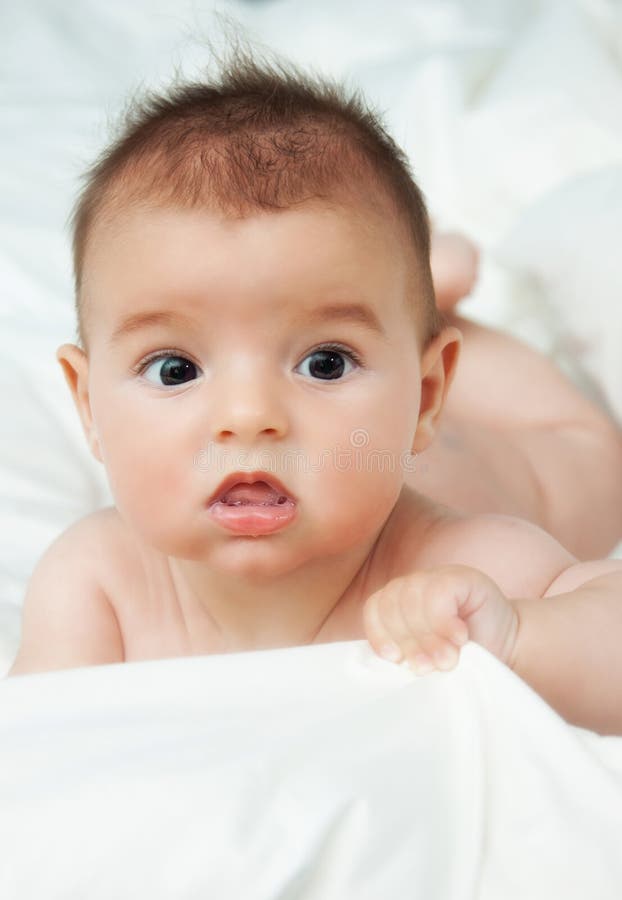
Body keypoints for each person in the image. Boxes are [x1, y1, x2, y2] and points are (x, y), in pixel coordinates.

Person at [8, 50, 622, 735]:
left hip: (521, 456)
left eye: (326, 362)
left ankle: (434, 298)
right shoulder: (96, 584)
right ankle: (393, 301)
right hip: (367, 435)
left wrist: (518, 638)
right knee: (363, 310)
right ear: (90, 406)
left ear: (424, 395)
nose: (248, 417)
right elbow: (36, 763)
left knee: (597, 455)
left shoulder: (468, 565)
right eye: (174, 369)